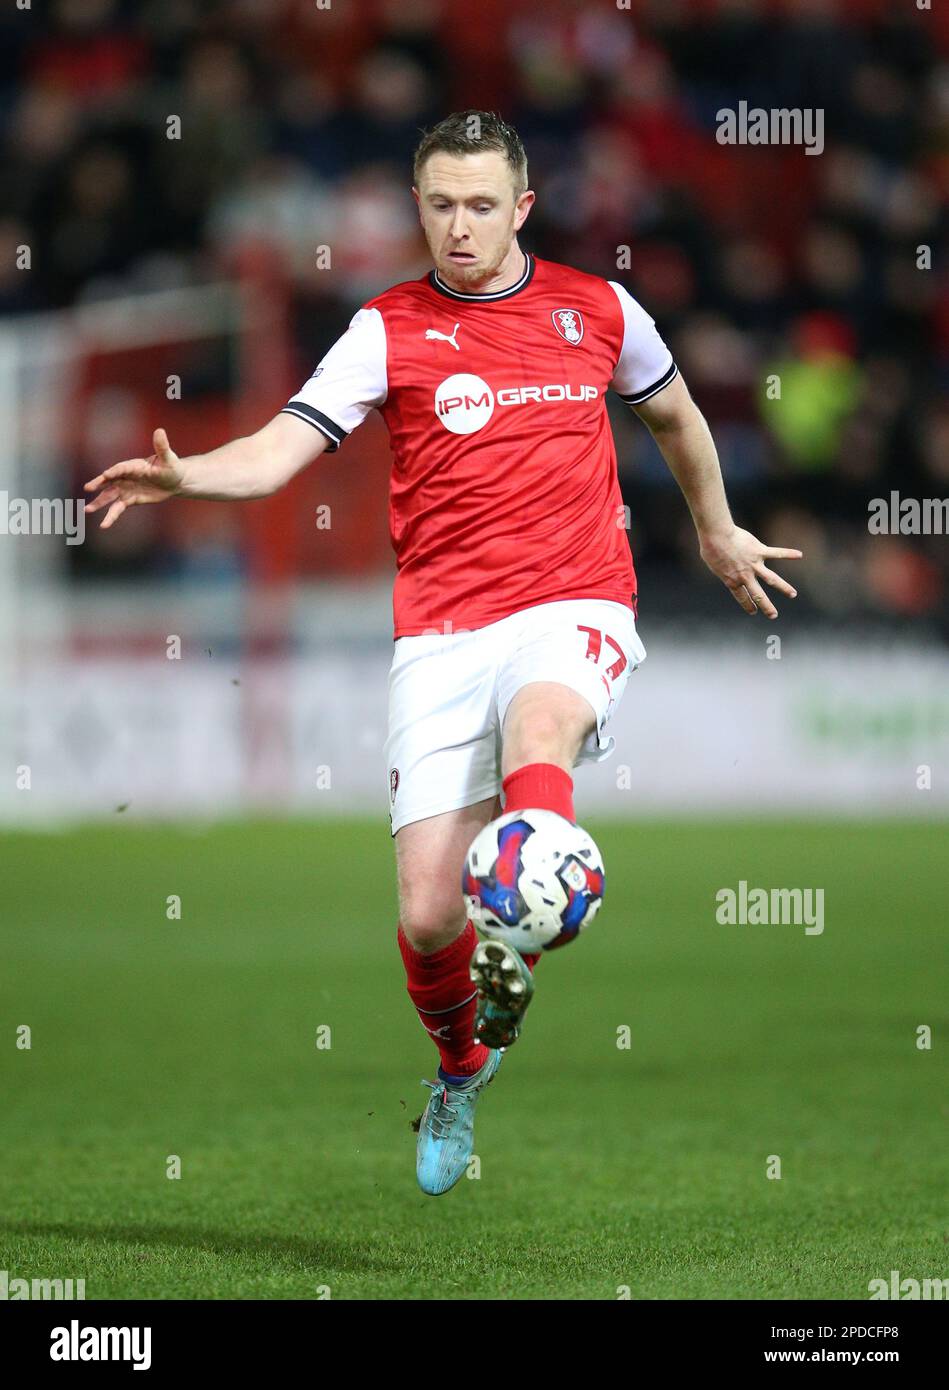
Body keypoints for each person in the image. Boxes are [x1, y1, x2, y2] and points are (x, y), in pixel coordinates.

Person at [84, 110, 802, 1197]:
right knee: (425, 915)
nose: (457, 228)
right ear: (416, 207)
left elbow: (677, 417)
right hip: (440, 631)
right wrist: (191, 476)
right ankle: (462, 1065)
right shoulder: (384, 328)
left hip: (576, 598)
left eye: (478, 206)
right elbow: (282, 449)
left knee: (543, 720)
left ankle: (530, 885)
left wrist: (714, 527)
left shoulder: (599, 308)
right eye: (437, 205)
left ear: (520, 208)